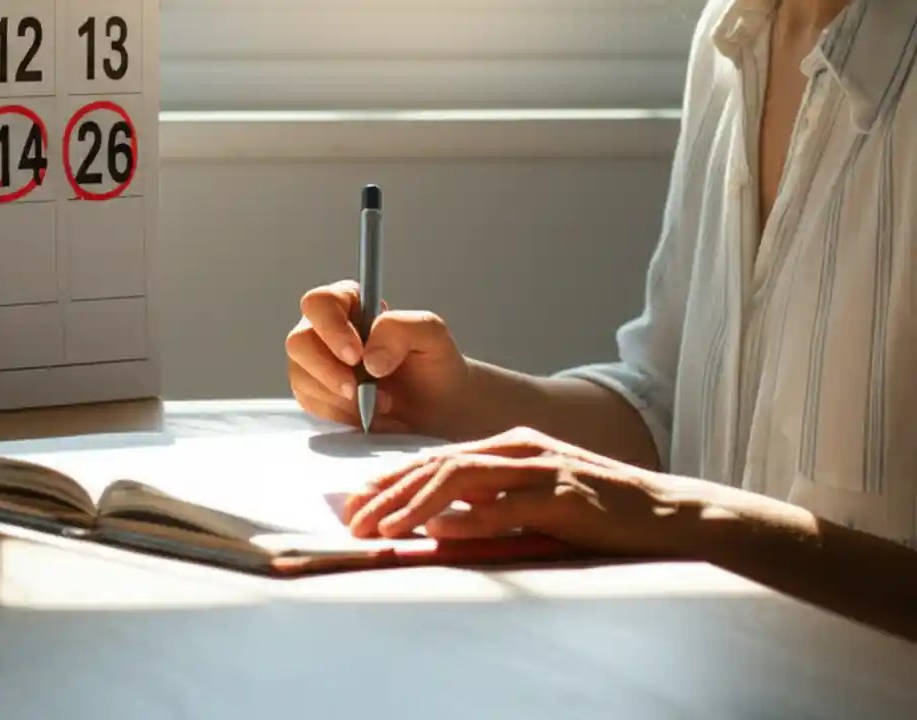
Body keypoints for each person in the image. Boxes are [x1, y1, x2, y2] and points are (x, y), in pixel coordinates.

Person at [286, 0, 917, 641]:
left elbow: (675, 498)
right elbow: (671, 411)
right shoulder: (733, 32)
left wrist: (682, 515)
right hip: (720, 669)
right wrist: (455, 396)